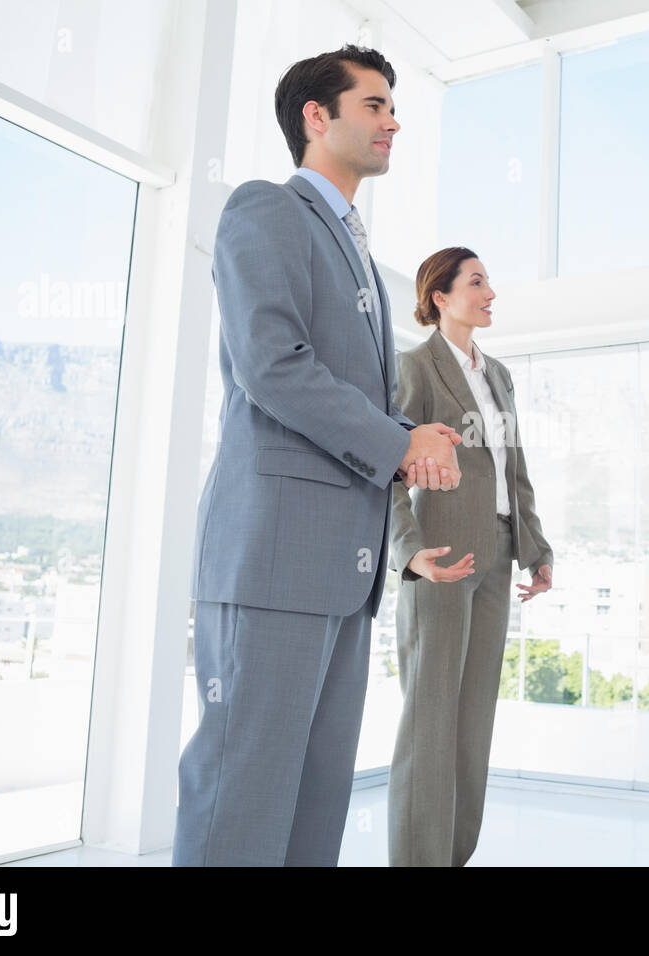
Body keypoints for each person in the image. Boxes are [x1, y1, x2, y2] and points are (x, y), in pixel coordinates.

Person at [173, 44, 464, 867]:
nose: (393, 120)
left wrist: (411, 439)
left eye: (392, 106)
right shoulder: (264, 209)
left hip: (346, 568)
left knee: (316, 795)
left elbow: (355, 397)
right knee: (245, 787)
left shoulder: (363, 257)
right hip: (274, 555)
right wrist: (395, 439)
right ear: (316, 117)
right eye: (374, 104)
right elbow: (272, 363)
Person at [386, 247, 554, 867]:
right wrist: (410, 555)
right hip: (441, 558)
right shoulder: (415, 367)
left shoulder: (499, 374)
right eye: (477, 282)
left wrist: (536, 548)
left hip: (498, 555)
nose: (490, 293)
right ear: (440, 296)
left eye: (489, 281)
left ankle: (453, 856)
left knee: (472, 718)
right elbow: (388, 473)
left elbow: (516, 469)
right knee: (429, 722)